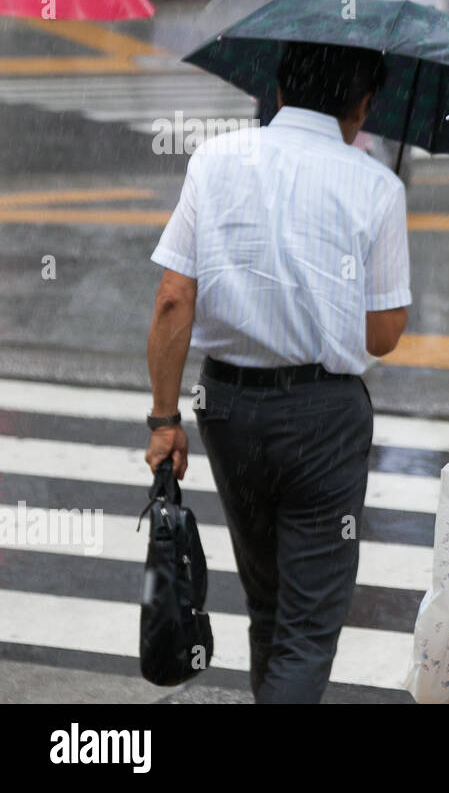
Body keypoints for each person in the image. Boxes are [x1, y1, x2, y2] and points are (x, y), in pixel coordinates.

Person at [145, 41, 411, 703]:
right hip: (322, 416)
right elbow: (383, 335)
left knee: (267, 604)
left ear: (281, 90)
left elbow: (174, 297)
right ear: (363, 105)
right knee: (309, 626)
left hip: (228, 405)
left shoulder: (214, 159)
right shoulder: (376, 185)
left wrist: (163, 419)